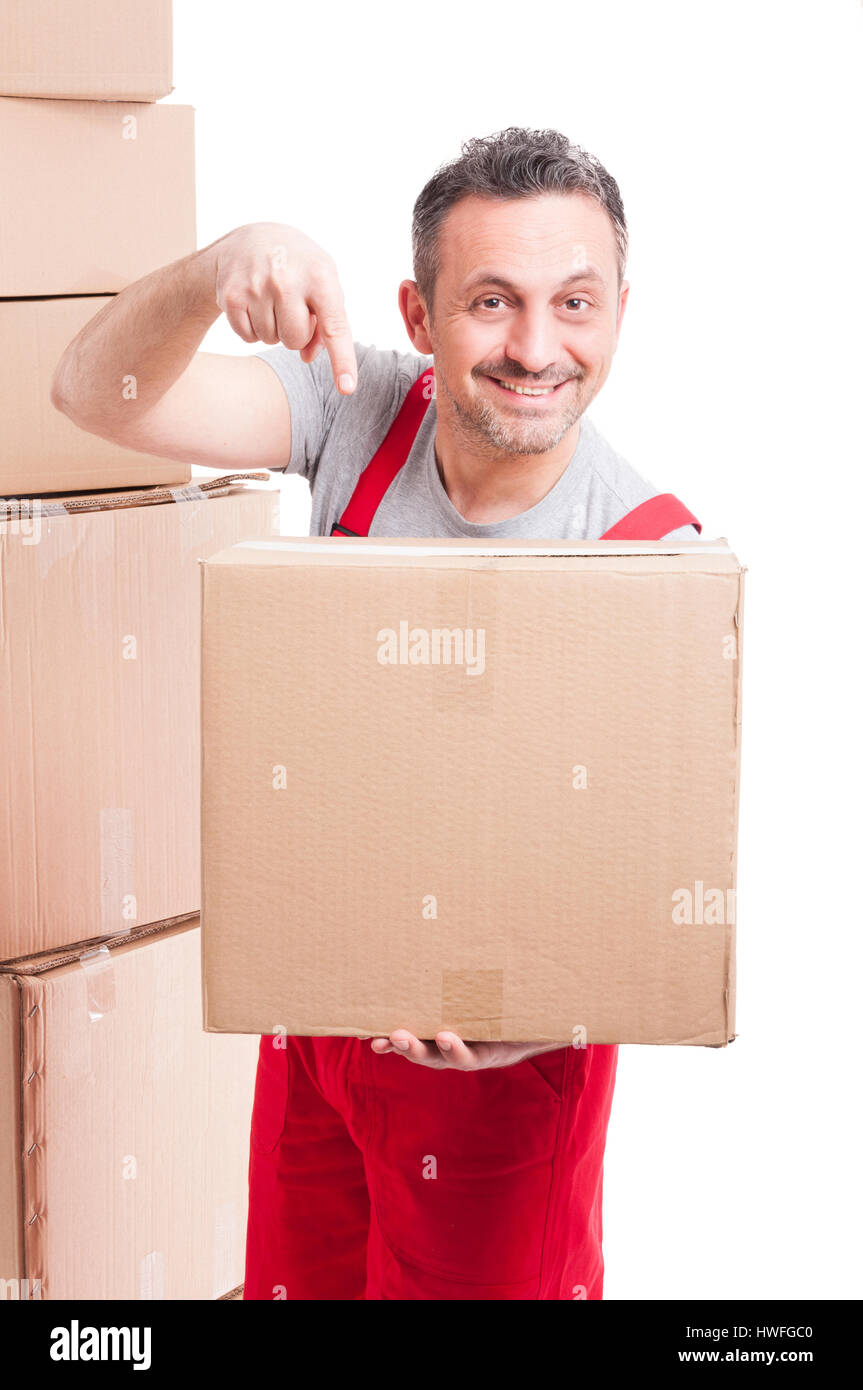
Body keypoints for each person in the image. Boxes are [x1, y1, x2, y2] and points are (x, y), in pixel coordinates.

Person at [52, 126, 703, 1301]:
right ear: (418, 313)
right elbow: (92, 393)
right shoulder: (356, 410)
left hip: (499, 1081)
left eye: (574, 303)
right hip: (317, 1026)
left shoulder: (654, 562)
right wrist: (218, 267)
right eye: (491, 302)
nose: (534, 349)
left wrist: (548, 1013)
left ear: (618, 310)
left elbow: (658, 902)